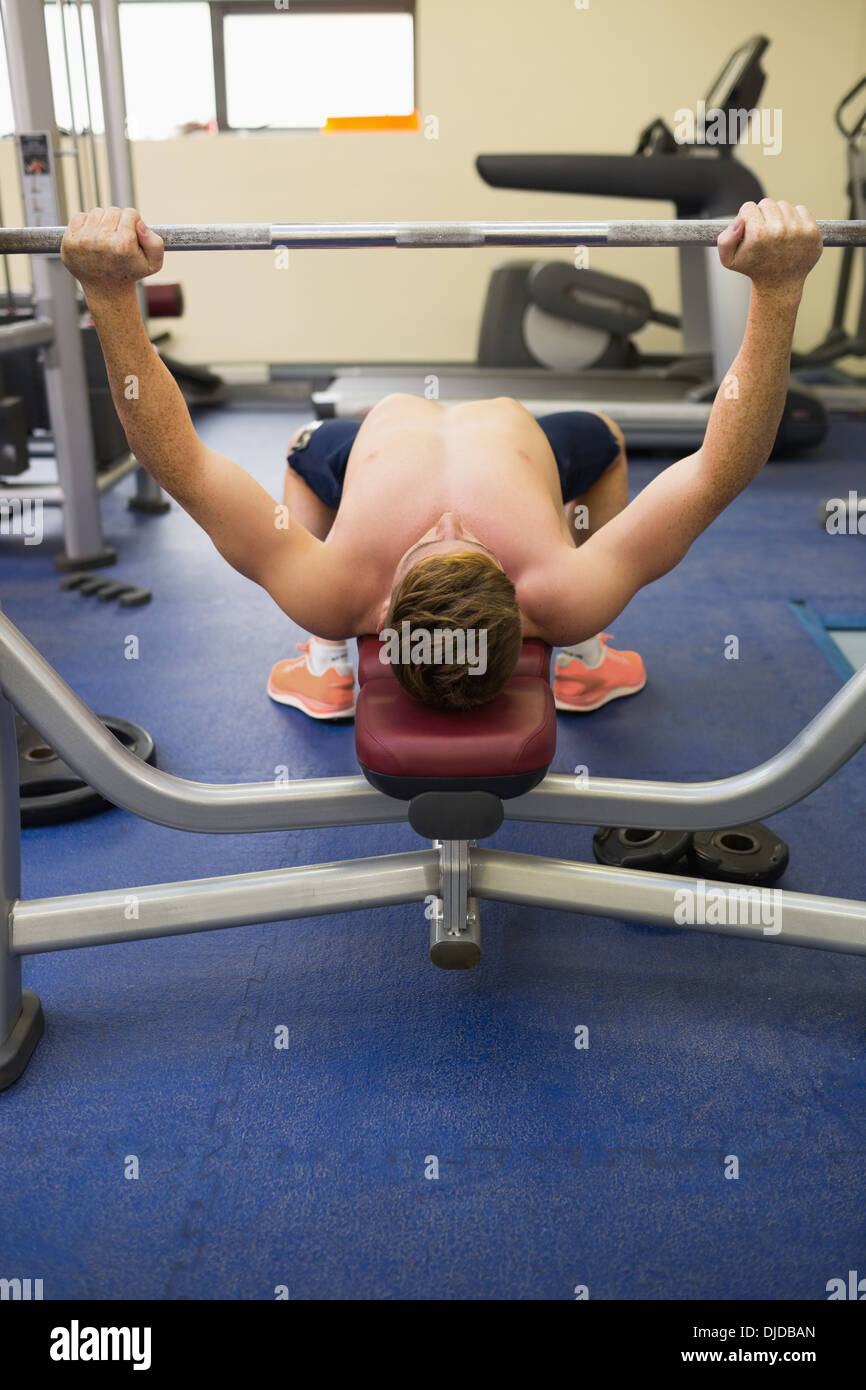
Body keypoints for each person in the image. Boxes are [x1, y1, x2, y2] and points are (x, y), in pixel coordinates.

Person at [60, 200, 822, 718]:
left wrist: (109, 297)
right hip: (529, 452)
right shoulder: (565, 590)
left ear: (380, 614)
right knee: (605, 440)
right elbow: (722, 469)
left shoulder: (335, 588)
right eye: (471, 544)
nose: (451, 518)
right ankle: (584, 659)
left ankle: (327, 666)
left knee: (303, 458)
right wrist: (778, 289)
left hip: (371, 445)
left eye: (434, 544)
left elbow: (182, 466)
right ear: (527, 611)